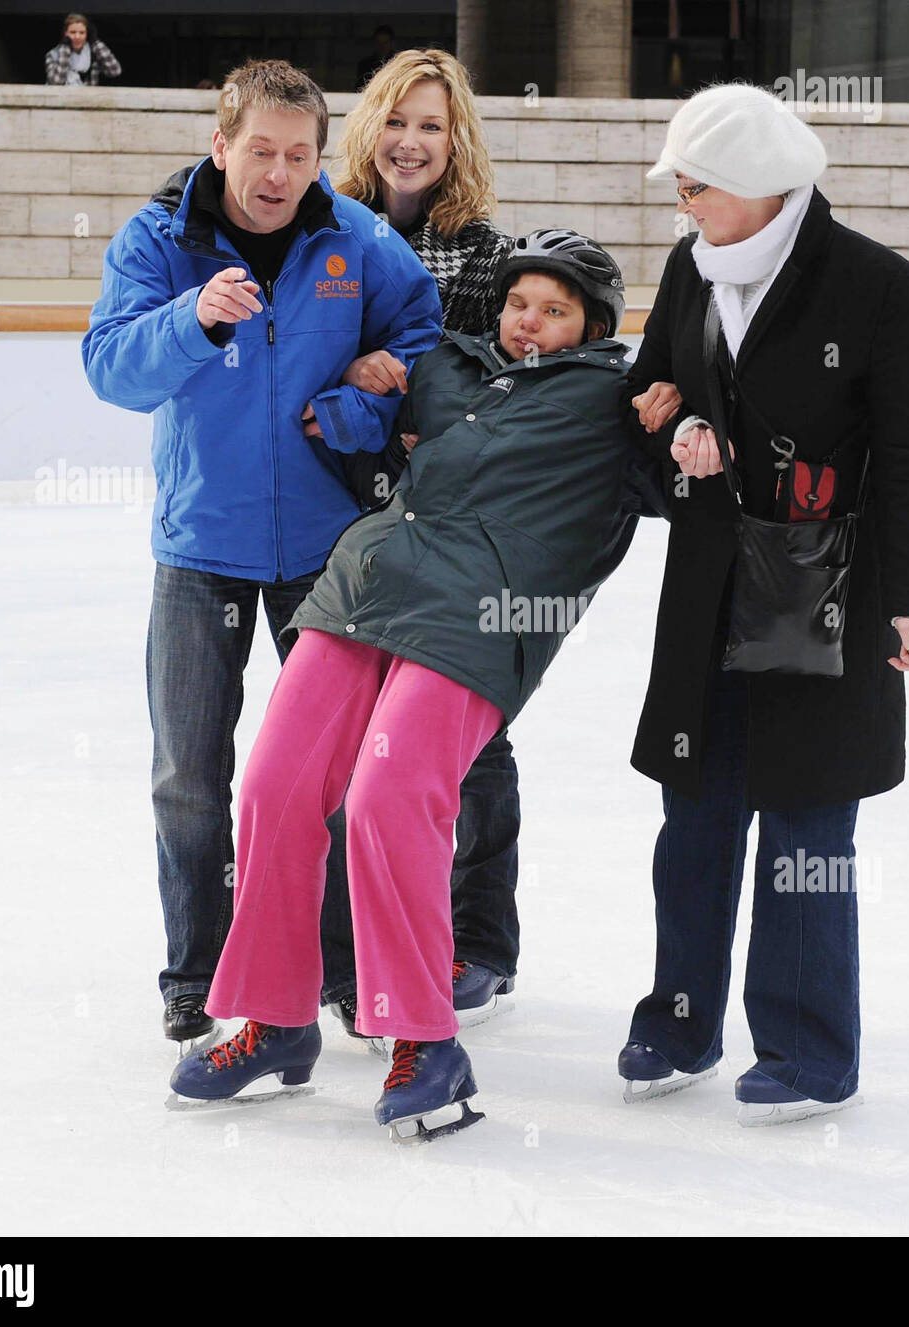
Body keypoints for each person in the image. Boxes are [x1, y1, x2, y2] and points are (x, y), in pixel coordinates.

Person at [169, 231, 654, 1141]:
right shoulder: (447, 367)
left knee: (389, 800)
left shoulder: (613, 401)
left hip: (479, 617)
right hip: (365, 584)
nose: (530, 324)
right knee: (276, 783)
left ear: (593, 325)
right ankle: (276, 1020)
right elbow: (353, 422)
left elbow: (683, 484)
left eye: (556, 311)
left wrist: (686, 418)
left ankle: (424, 1040)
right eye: (520, 304)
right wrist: (365, 383)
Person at [81, 60, 441, 1048]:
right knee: (189, 776)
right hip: (201, 550)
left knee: (328, 773)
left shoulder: (355, 237)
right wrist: (191, 319)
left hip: (327, 556)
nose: (277, 173)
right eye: (260, 151)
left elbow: (421, 327)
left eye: (297, 154)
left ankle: (338, 968)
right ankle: (197, 972)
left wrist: (374, 387)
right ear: (220, 145)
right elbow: (109, 367)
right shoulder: (160, 239)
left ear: (318, 158)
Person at [623, 83, 909, 1125]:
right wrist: (672, 435)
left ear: (762, 187)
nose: (683, 201)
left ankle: (808, 1051)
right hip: (712, 581)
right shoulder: (686, 267)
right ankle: (677, 1021)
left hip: (830, 587)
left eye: (698, 183)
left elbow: (908, 456)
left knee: (809, 822)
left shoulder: (875, 285)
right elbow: (647, 397)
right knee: (695, 814)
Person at [320, 48, 519, 1049]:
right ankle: (358, 945)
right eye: (397, 120)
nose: (411, 141)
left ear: (457, 140)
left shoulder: (484, 251)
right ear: (369, 126)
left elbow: (492, 377)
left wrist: (405, 378)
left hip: (451, 514)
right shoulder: (329, 229)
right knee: (357, 735)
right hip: (343, 507)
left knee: (463, 732)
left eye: (433, 126)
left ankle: (479, 935)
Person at [45, 13, 121, 86]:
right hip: (61, 98)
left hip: (87, 97)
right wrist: (65, 50)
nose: (77, 37)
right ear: (66, 33)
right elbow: (56, 82)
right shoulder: (52, 55)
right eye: (73, 32)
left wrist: (96, 43)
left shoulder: (93, 52)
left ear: (87, 34)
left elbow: (114, 71)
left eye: (82, 33)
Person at [356, 25, 398, 91]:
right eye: (379, 43)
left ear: (391, 43)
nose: (382, 46)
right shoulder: (365, 65)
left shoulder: (399, 63)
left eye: (385, 43)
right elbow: (360, 88)